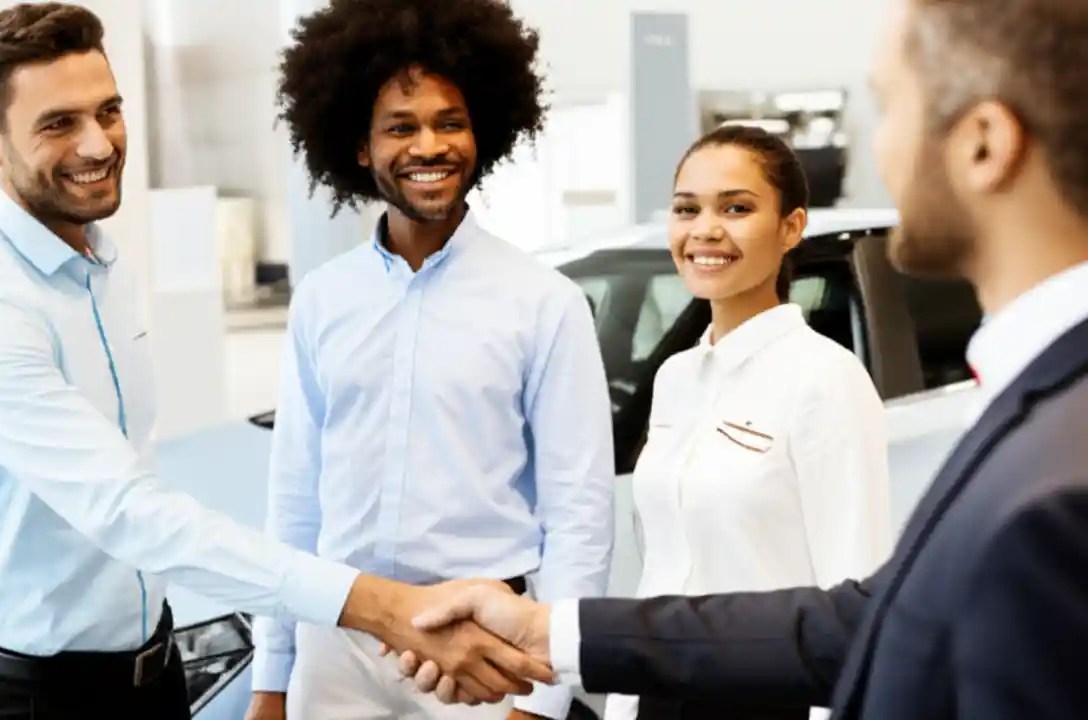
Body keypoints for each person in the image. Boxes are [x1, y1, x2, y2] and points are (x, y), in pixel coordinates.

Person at [391, 0, 1088, 717]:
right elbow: (820, 613)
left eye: (888, 107)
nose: (876, 150)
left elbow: (847, 613)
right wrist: (553, 635)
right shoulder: (676, 376)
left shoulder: (839, 382)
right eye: (686, 208)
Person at [0, 4, 550, 719]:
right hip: (30, 698)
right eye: (59, 124)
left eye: (109, 110)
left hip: (152, 674)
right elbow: (130, 514)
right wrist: (385, 609)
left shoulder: (103, 270)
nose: (98, 143)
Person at [247, 1, 616, 719]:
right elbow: (294, 503)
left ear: (484, 133)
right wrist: (272, 677)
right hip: (340, 636)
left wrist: (544, 697)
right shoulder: (322, 301)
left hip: (481, 641)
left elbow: (579, 514)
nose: (430, 145)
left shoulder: (544, 303)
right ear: (360, 147)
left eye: (451, 122)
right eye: (401, 126)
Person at [599, 126, 891, 720]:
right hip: (661, 691)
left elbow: (855, 590)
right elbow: (661, 569)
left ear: (792, 227)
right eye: (687, 209)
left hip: (767, 699)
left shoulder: (825, 378)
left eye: (736, 208)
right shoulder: (675, 377)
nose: (705, 230)